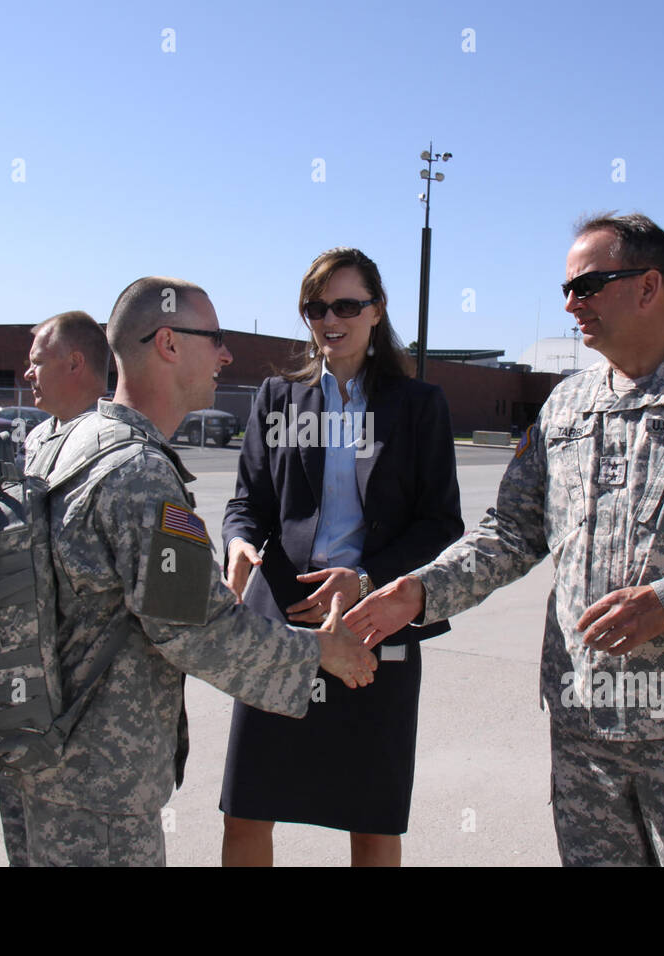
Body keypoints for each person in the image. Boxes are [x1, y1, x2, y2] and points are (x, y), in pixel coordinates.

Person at [346, 214, 664, 866]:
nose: (569, 303)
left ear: (649, 287)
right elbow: (511, 533)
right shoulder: (566, 406)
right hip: (589, 732)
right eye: (567, 288)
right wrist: (416, 592)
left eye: (588, 285)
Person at [12, 276, 377, 866]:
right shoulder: (141, 477)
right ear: (169, 343)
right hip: (97, 786)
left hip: (33, 757)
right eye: (215, 337)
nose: (227, 354)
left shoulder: (63, 442)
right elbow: (198, 630)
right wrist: (321, 652)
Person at [220, 247, 464, 867]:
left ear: (377, 312)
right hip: (281, 620)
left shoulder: (418, 406)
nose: (331, 319)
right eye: (316, 307)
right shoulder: (278, 399)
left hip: (374, 621)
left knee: (372, 816)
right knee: (248, 806)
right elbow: (247, 501)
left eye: (347, 305)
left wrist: (364, 580)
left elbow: (442, 523)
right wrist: (240, 541)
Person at [0, 309, 111, 867]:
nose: (27, 373)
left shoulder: (114, 448)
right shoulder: (38, 438)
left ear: (75, 362)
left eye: (37, 361)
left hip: (80, 699)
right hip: (23, 682)